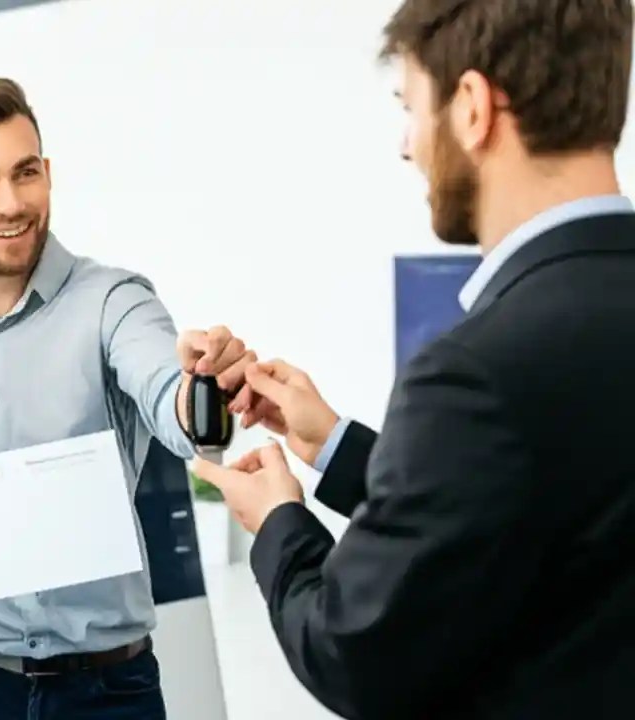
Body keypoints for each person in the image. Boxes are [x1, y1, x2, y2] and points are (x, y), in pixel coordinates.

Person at [194, 2, 635, 718]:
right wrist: (333, 444)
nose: (406, 145)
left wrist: (279, 522)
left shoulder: (477, 372)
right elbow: (540, 514)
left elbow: (353, 653)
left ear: (471, 108)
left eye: (410, 107)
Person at [0, 77, 253, 719]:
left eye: (25, 173)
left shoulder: (115, 302)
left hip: (106, 691)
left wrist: (202, 386)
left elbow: (174, 404)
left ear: (47, 171)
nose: (12, 202)